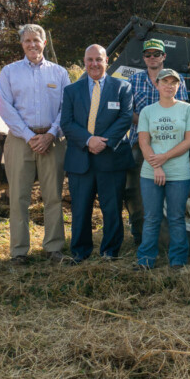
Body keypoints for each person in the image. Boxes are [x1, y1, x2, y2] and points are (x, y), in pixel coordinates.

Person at [0, 24, 71, 264]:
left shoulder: (59, 73)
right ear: (21, 44)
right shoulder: (9, 72)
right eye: (27, 40)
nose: (32, 44)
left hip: (53, 140)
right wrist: (30, 136)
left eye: (36, 40)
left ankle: (54, 248)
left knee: (53, 196)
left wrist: (50, 134)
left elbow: (66, 108)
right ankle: (19, 252)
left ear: (44, 43)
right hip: (20, 140)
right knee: (18, 197)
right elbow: (6, 108)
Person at [60, 44, 134, 263]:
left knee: (111, 209)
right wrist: (88, 140)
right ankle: (80, 252)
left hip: (111, 158)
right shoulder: (71, 90)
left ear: (107, 60)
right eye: (90, 60)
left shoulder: (122, 87)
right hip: (80, 158)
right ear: (84, 61)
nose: (94, 64)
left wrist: (105, 142)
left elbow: (125, 118)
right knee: (81, 209)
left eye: (98, 59)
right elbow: (67, 122)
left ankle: (110, 253)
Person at [124, 38, 188, 247]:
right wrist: (148, 125)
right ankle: (139, 235)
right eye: (148, 54)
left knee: (175, 193)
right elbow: (128, 112)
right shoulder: (134, 80)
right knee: (136, 192)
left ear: (164, 57)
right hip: (141, 143)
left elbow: (184, 109)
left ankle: (173, 239)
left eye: (156, 54)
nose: (152, 58)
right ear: (144, 58)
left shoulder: (175, 79)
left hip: (171, 145)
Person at [136, 69, 190, 270]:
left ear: (178, 86)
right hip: (150, 173)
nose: (169, 85)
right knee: (152, 217)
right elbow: (144, 142)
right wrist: (157, 166)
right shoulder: (147, 111)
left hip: (179, 174)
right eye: (165, 82)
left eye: (173, 82)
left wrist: (164, 158)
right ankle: (146, 259)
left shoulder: (187, 109)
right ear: (157, 84)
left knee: (176, 217)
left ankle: (178, 260)